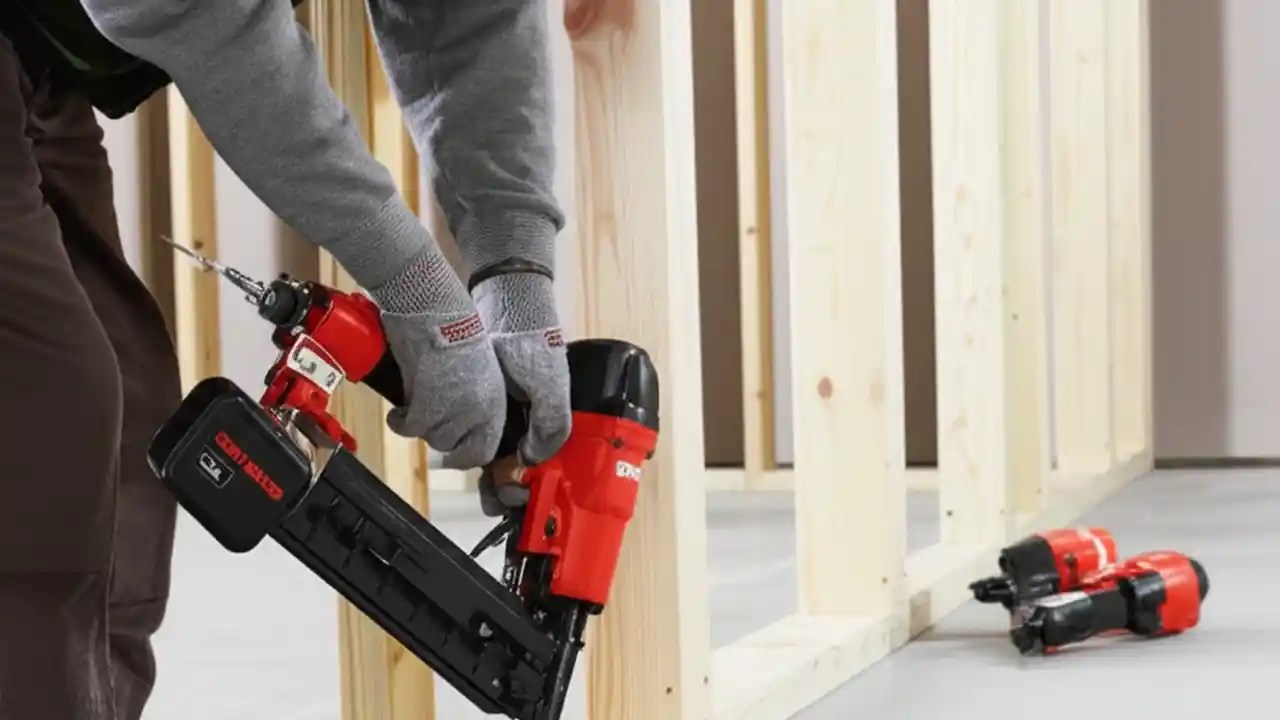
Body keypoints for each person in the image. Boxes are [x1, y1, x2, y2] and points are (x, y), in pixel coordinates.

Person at [0, 1, 570, 717]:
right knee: (49, 424)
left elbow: (469, 15)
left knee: (131, 432)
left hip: (35, 51)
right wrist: (412, 278)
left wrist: (514, 264)